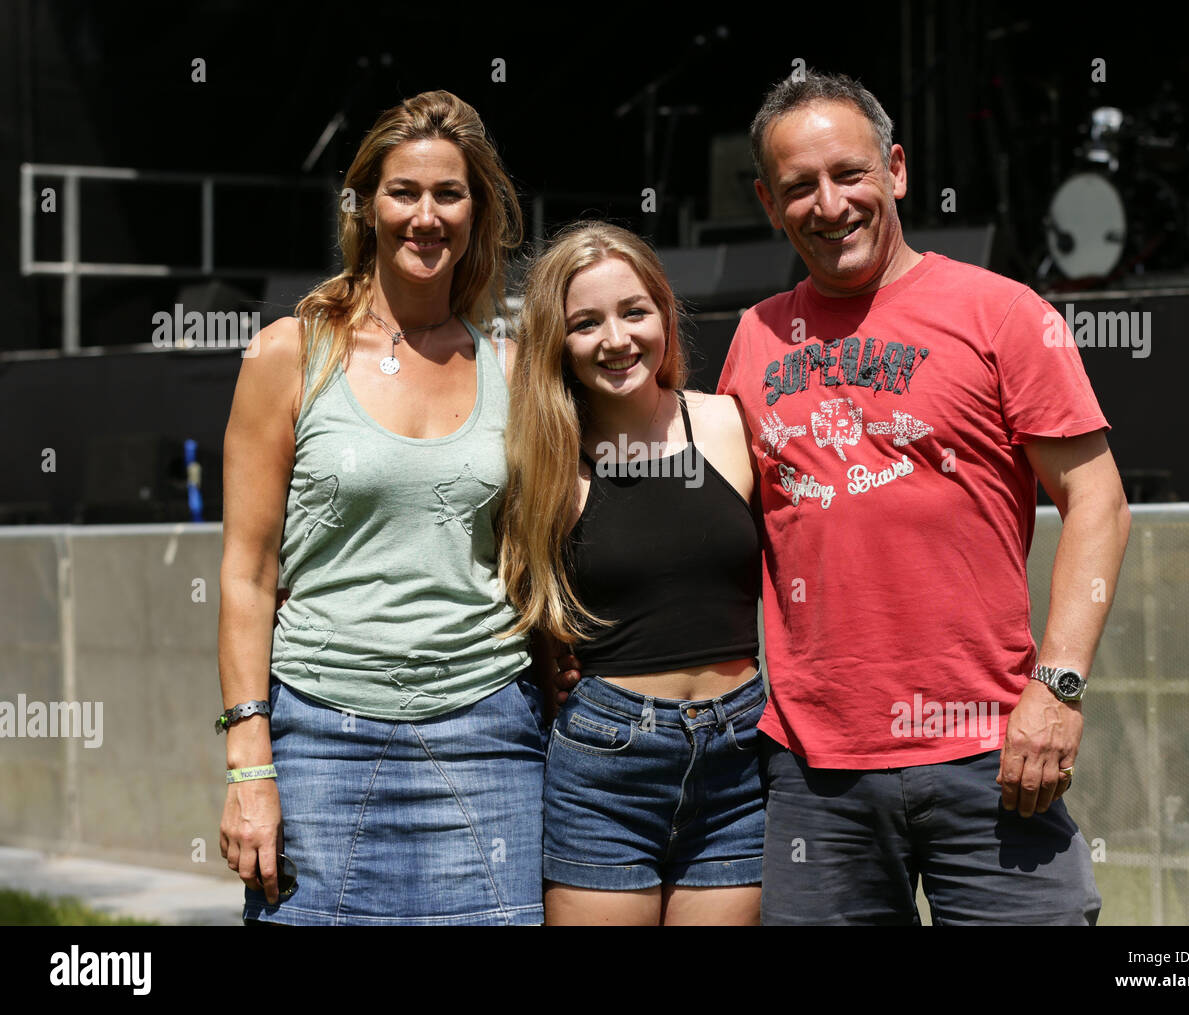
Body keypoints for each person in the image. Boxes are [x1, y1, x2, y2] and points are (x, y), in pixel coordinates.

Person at [556, 72, 1131, 925]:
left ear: (896, 169)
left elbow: (1099, 502)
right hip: (811, 776)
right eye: (799, 186)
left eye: (849, 174)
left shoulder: (1001, 312)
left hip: (991, 750)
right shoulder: (756, 336)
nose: (829, 204)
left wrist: (1058, 687)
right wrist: (583, 634)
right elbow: (691, 519)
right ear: (767, 201)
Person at [217, 90, 548, 925]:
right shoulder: (288, 353)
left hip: (488, 737)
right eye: (404, 191)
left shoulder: (512, 371)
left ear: (478, 210)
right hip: (319, 739)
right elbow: (248, 575)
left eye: (450, 193)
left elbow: (539, 552)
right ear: (365, 205)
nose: (426, 216)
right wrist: (249, 763)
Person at [499, 221, 766, 925]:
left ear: (665, 315)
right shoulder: (546, 463)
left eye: (634, 312)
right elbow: (526, 606)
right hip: (606, 766)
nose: (616, 339)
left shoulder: (727, 423)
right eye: (586, 322)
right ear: (557, 341)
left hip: (740, 759)